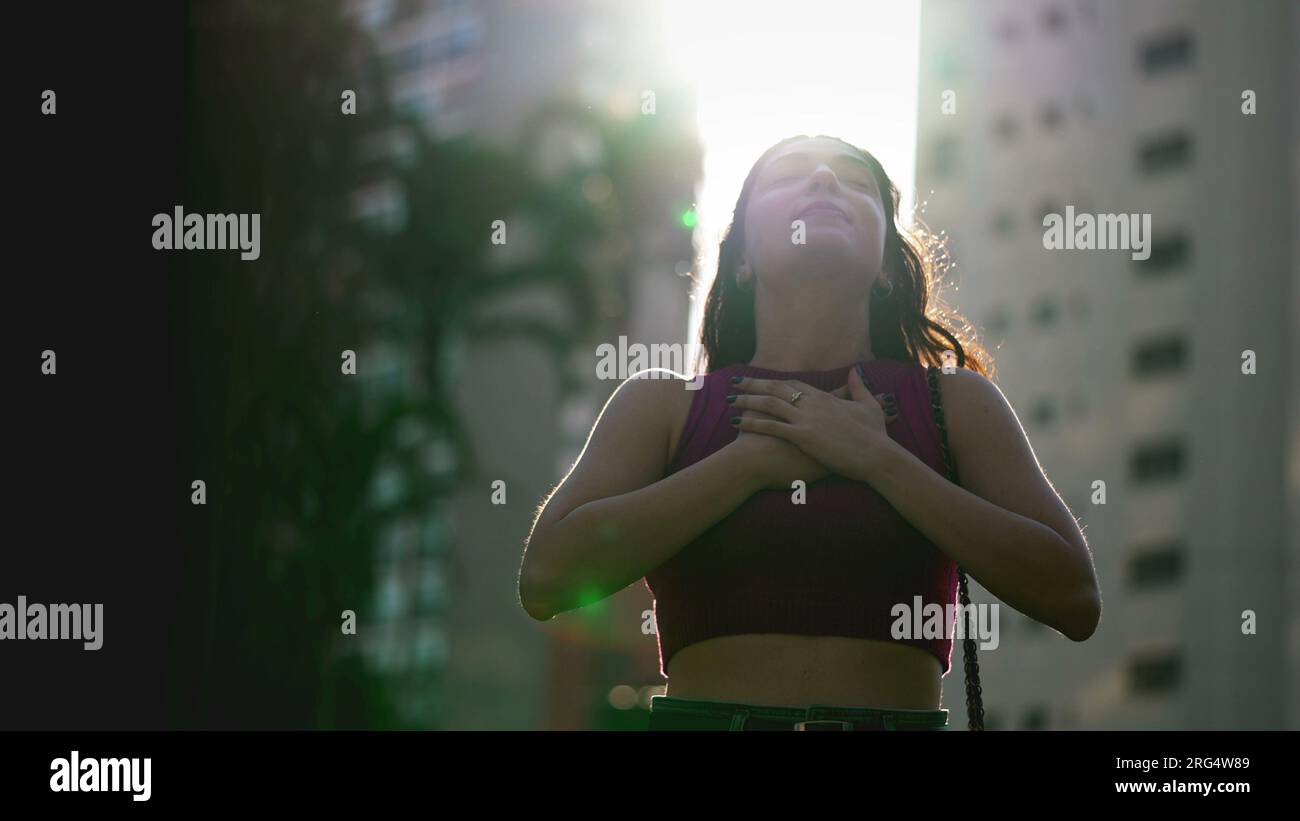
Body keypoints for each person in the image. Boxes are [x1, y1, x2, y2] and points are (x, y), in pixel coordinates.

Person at [518, 134, 1101, 730]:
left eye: (853, 180)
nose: (823, 181)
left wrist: (878, 459)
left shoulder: (953, 401)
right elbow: (546, 580)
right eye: (790, 175)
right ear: (742, 259)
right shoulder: (665, 405)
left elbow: (1074, 599)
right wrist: (749, 465)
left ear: (884, 268)